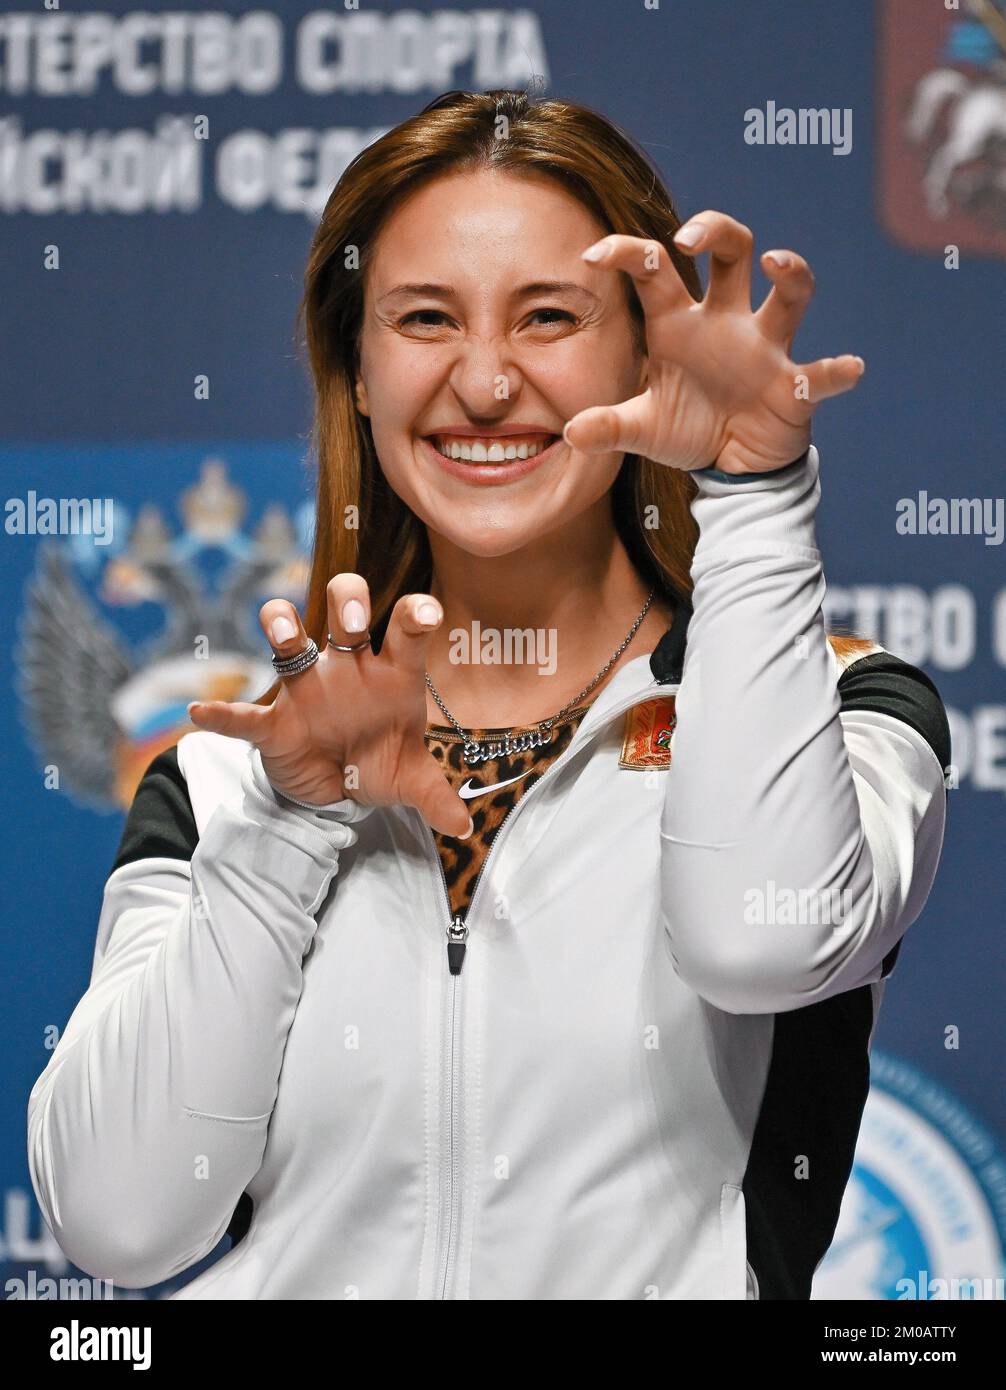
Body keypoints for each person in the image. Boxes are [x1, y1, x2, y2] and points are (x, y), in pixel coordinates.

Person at [27, 89, 950, 1300]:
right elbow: (121, 1218)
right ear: (354, 371)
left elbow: (759, 939)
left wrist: (754, 497)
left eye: (547, 315)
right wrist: (292, 823)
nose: (483, 380)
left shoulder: (836, 709)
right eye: (422, 318)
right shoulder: (229, 771)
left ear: (645, 351)